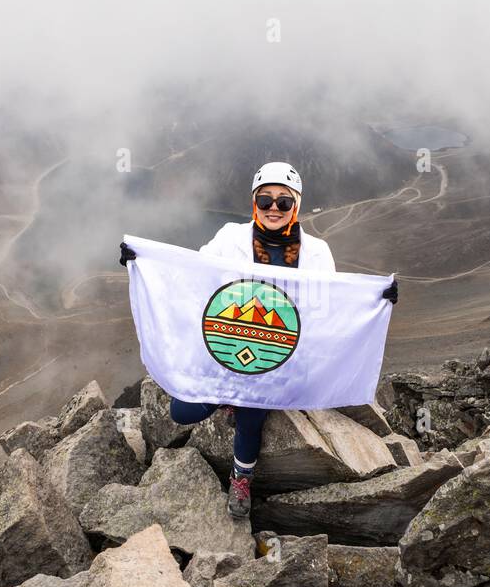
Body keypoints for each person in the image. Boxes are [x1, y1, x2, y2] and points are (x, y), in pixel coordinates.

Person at [120, 161, 398, 518]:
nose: (273, 209)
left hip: (284, 354)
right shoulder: (230, 238)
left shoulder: (315, 252)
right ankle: (233, 400)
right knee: (181, 410)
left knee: (252, 407)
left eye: (284, 202)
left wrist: (378, 298)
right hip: (232, 343)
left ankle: (241, 477)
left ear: (296, 204)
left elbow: (330, 305)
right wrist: (141, 262)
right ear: (255, 201)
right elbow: (193, 274)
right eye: (265, 199)